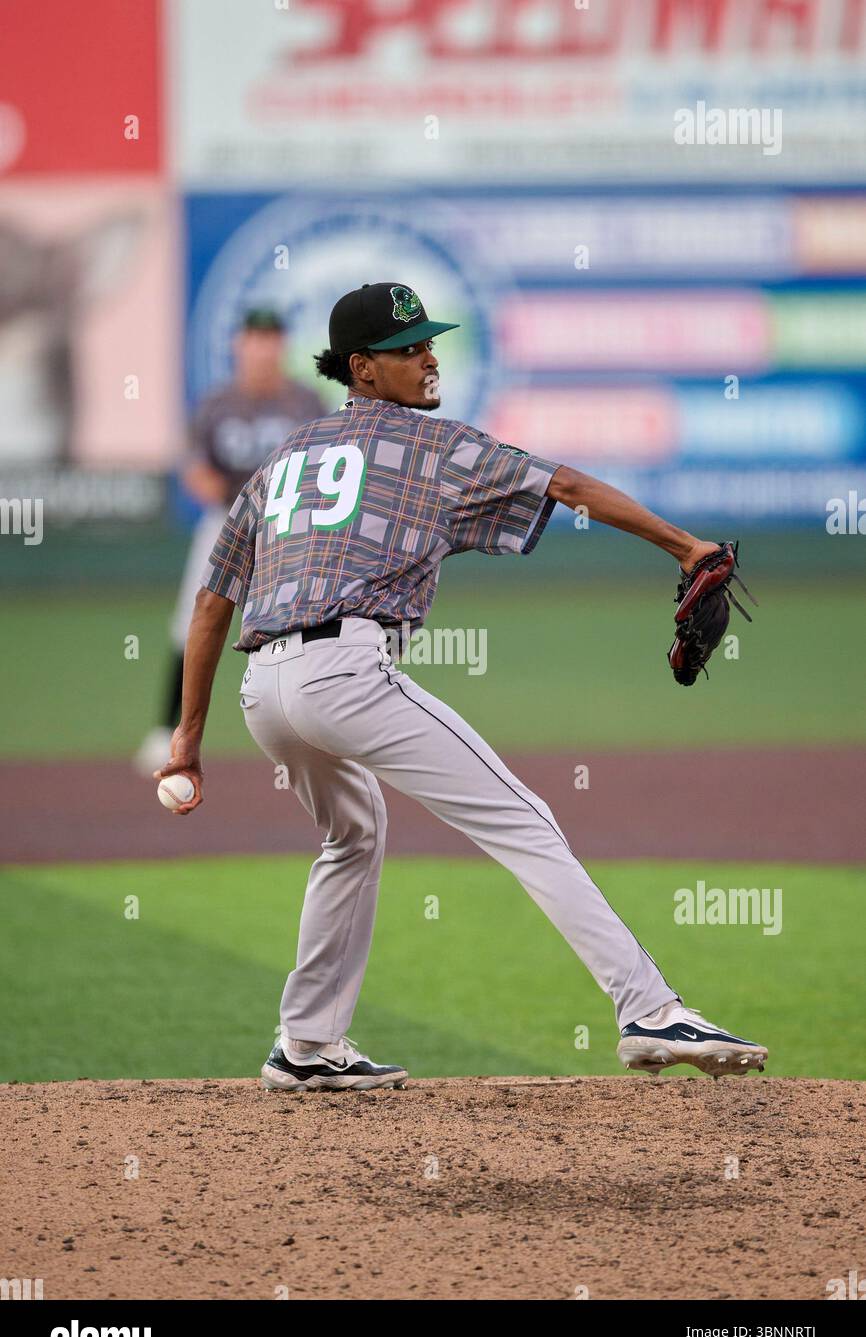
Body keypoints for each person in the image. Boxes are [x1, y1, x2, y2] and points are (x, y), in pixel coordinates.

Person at [156, 281, 768, 1092]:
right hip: (344, 674)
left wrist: (187, 743)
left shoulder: (285, 456)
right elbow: (571, 486)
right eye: (409, 348)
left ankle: (305, 1048)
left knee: (354, 834)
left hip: (264, 692)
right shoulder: (434, 447)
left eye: (428, 342)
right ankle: (649, 1009)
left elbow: (210, 602)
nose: (429, 356)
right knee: (522, 817)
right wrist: (685, 546)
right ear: (363, 369)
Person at [134, 308, 327, 773]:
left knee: (311, 620)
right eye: (255, 337)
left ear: (282, 345)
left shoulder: (306, 403)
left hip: (290, 527)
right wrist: (240, 502)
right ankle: (167, 731)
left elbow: (328, 463)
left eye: (271, 337)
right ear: (239, 344)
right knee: (192, 623)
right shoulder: (218, 404)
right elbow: (195, 470)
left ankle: (320, 727)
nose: (263, 347)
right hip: (226, 524)